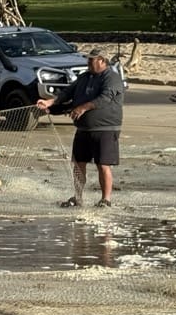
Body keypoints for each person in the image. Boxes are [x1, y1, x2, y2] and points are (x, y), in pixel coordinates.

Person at [35, 48, 124, 208]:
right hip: (83, 129)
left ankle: (106, 199)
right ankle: (77, 198)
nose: (88, 63)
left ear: (102, 61)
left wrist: (82, 108)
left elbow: (104, 98)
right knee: (78, 164)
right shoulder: (84, 77)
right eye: (88, 59)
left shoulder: (112, 78)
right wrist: (50, 103)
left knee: (103, 165)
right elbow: (67, 93)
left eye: (91, 60)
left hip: (105, 128)